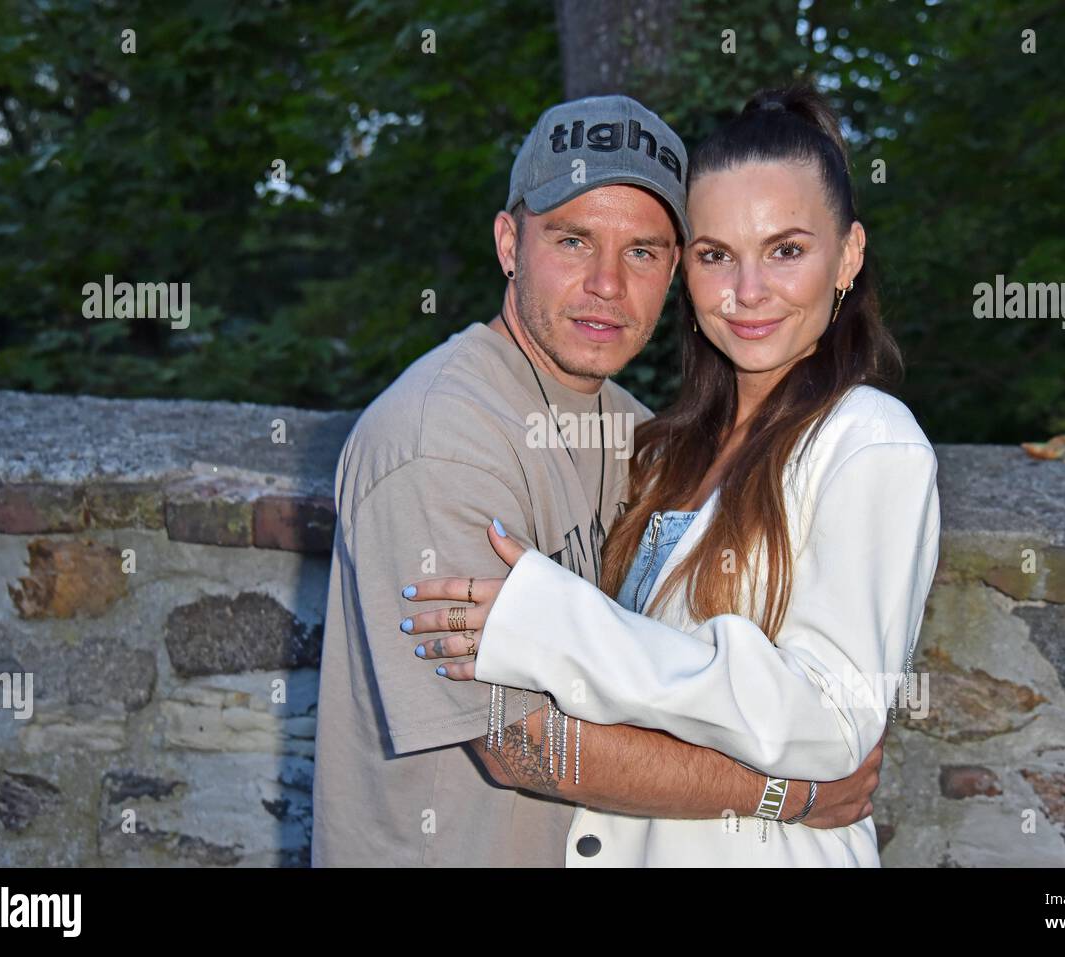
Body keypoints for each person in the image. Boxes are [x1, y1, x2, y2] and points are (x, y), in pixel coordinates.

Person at [312, 92, 884, 867]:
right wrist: (786, 793)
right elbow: (521, 746)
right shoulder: (438, 443)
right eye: (574, 240)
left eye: (644, 250)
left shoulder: (640, 434)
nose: (608, 284)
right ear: (510, 242)